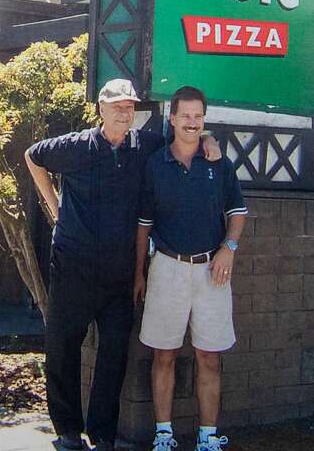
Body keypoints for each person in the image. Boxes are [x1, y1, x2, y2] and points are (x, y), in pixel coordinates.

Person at [25, 79, 220, 451]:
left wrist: (208, 139)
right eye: (116, 106)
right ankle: (67, 429)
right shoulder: (75, 146)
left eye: (129, 106)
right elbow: (33, 156)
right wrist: (56, 209)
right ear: (101, 109)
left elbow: (185, 132)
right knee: (64, 345)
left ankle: (102, 432)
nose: (123, 112)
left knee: (114, 351)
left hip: (120, 267)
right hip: (73, 262)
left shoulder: (143, 145)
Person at [133, 86, 248, 451]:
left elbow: (238, 214)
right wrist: (138, 272)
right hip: (167, 268)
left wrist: (229, 249)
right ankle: (164, 434)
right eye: (185, 115)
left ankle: (207, 437)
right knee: (163, 355)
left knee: (209, 357)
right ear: (172, 118)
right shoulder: (156, 164)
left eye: (199, 117)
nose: (192, 123)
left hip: (212, 272)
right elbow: (143, 225)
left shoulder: (218, 163)